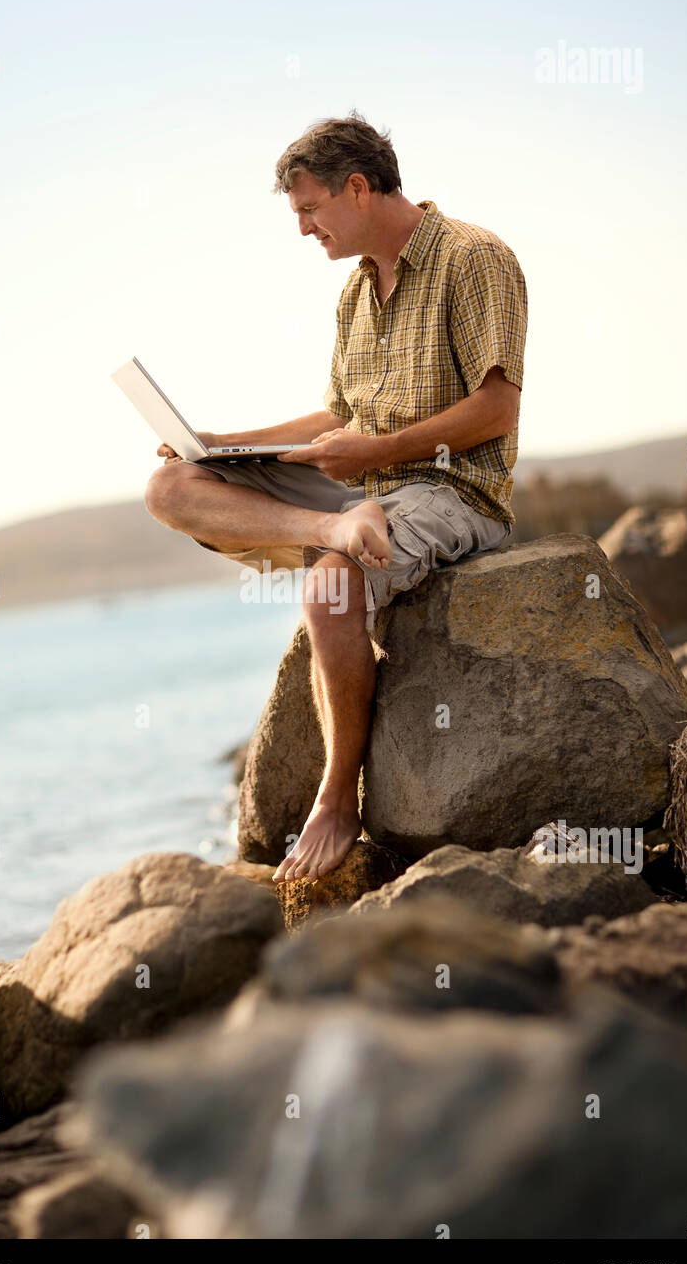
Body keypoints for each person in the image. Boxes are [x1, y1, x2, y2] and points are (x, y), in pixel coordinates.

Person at [144, 111, 527, 885]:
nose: (304, 229)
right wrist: (221, 444)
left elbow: (497, 409)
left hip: (453, 491)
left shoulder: (475, 258)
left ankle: (337, 800)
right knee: (171, 483)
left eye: (310, 209)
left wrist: (378, 453)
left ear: (357, 188)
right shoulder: (355, 294)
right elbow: (339, 417)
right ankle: (334, 523)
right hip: (361, 490)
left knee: (328, 590)